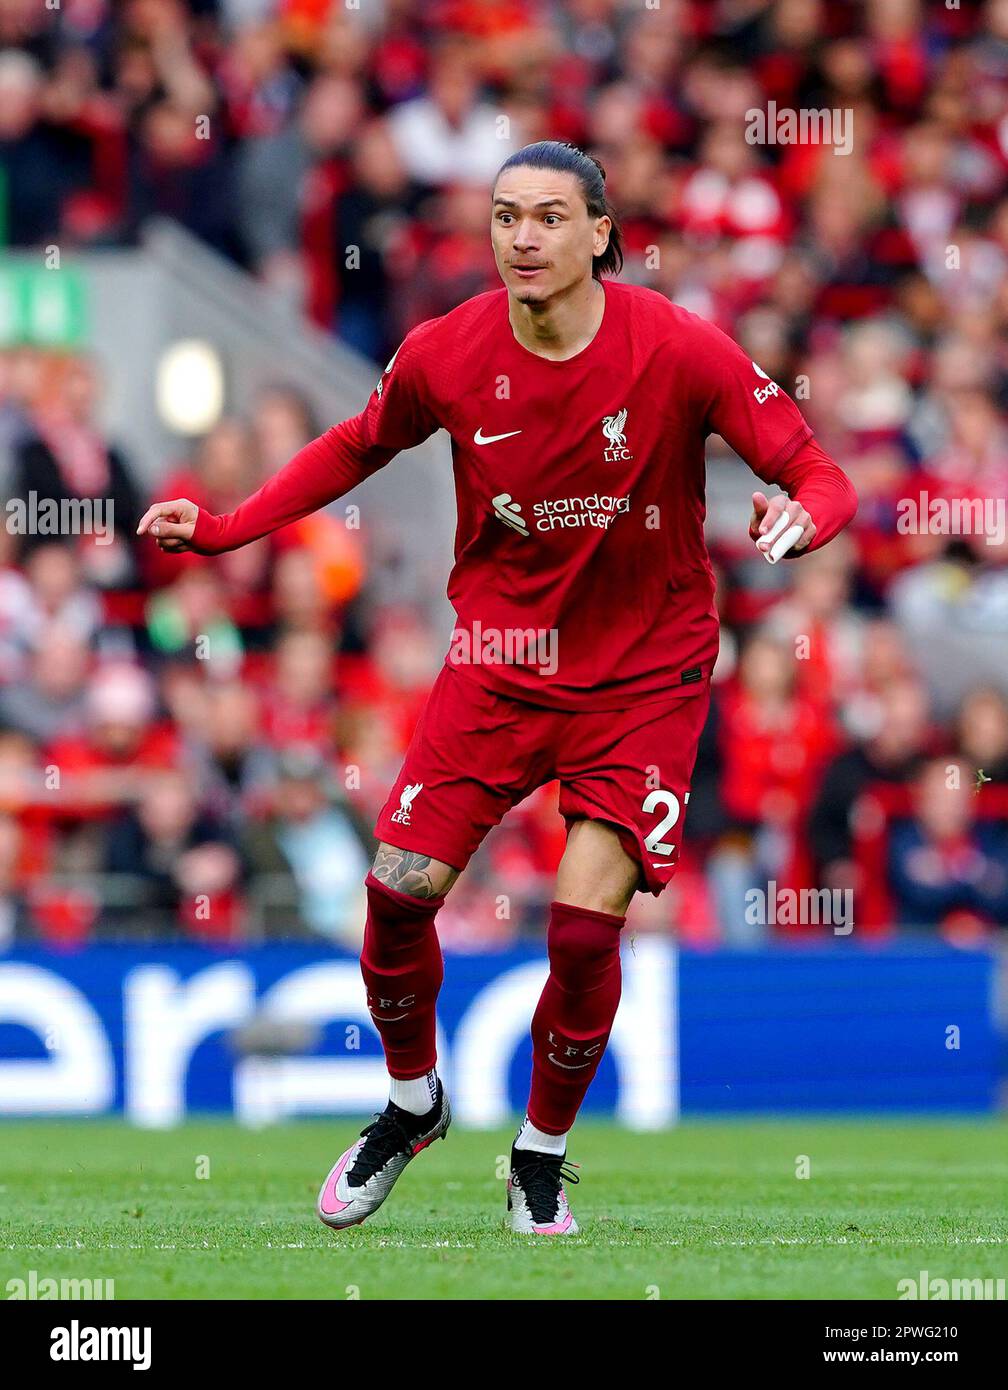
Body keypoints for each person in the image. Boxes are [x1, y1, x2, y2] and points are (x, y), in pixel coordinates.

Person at [137, 141, 857, 1237]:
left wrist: (804, 516)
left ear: (601, 233)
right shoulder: (447, 353)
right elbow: (353, 444)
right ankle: (414, 1101)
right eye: (506, 217)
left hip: (643, 676)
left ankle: (540, 1157)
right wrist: (231, 525)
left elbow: (818, 471)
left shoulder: (678, 350)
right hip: (500, 663)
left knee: (580, 928)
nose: (523, 237)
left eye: (549, 218)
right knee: (393, 895)